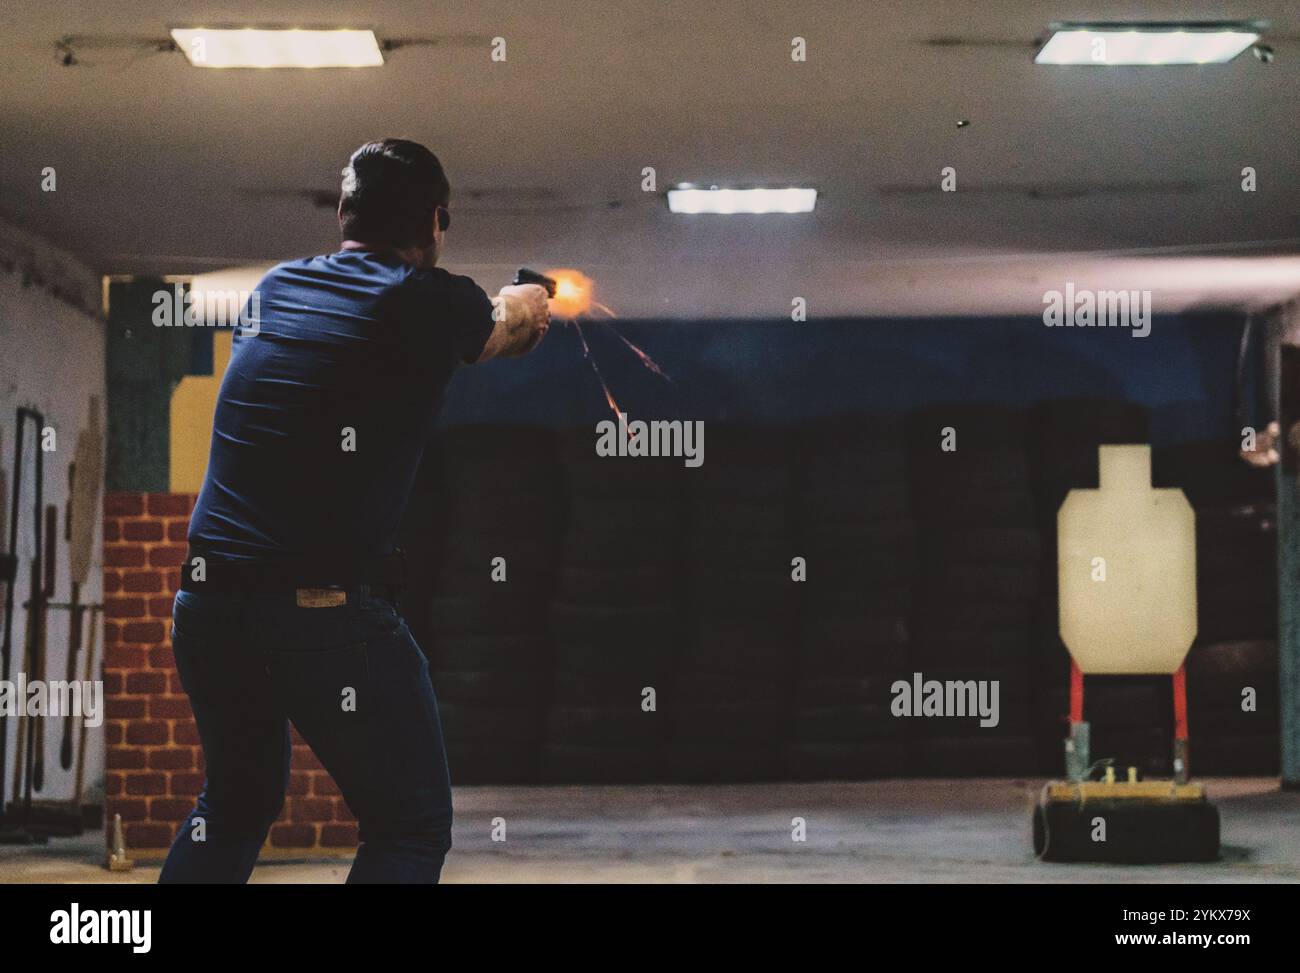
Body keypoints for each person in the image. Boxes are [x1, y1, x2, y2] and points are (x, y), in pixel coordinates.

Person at [158, 138, 550, 883]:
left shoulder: (276, 288)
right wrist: (527, 301)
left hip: (206, 605)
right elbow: (506, 329)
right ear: (436, 223)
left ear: (343, 211)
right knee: (409, 826)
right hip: (322, 610)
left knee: (235, 805)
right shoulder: (429, 298)